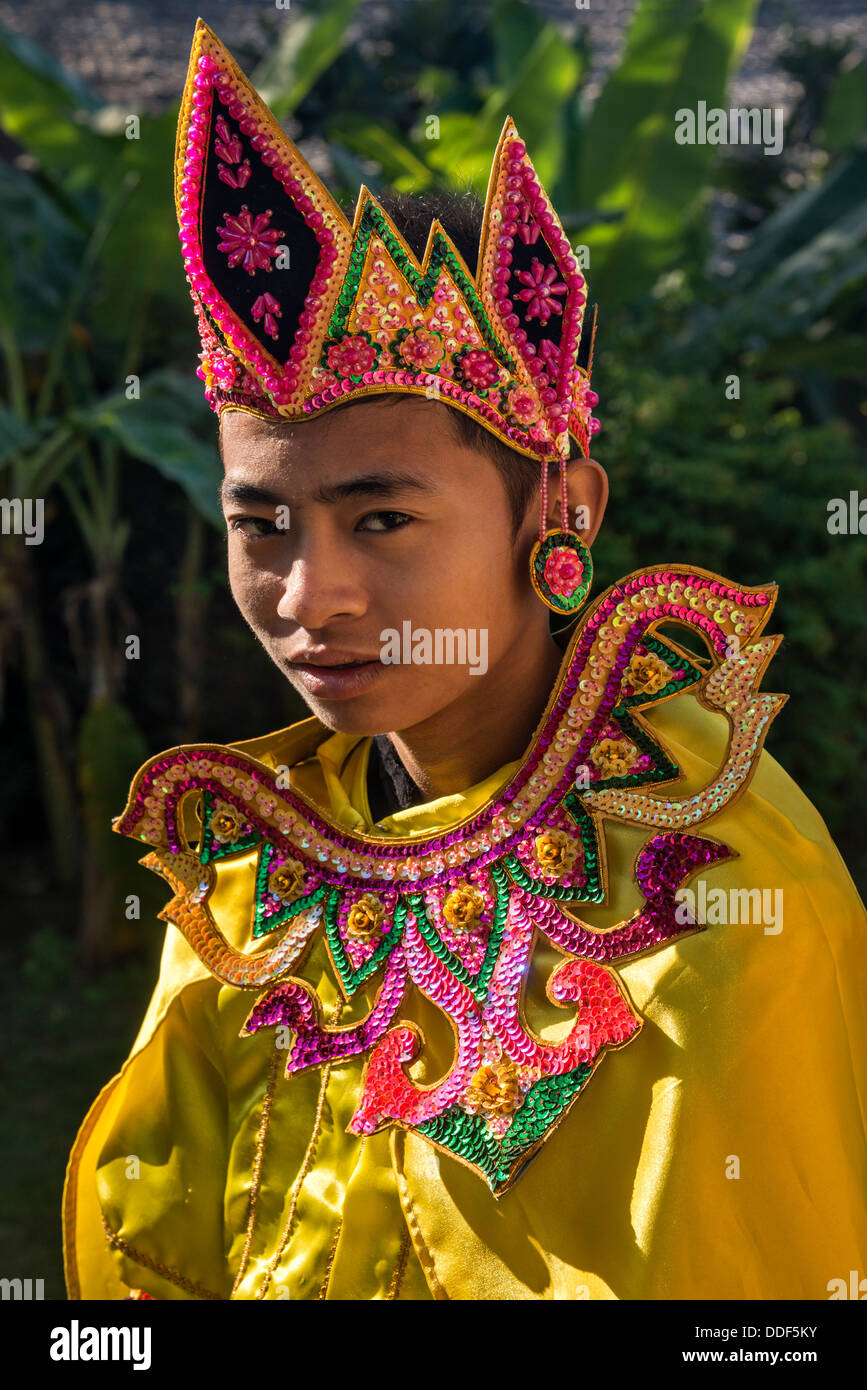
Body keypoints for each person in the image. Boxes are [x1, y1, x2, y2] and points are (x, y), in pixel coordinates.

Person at [63, 20, 867, 1301]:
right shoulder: (245, 892)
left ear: (561, 513)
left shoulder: (719, 908)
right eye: (259, 523)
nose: (306, 594)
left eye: (383, 519)